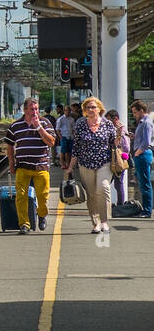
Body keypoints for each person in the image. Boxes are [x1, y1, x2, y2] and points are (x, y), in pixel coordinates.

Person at [4, 97, 55, 233]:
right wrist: (11, 164)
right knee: (21, 196)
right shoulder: (16, 125)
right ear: (25, 110)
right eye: (32, 109)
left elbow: (51, 142)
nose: (35, 112)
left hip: (41, 166)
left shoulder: (45, 123)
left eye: (37, 109)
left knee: (43, 196)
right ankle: (24, 224)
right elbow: (10, 145)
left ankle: (42, 214)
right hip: (22, 166)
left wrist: (39, 127)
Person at [67, 96, 117, 234]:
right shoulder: (81, 125)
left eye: (93, 107)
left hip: (104, 163)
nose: (91, 109)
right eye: (88, 107)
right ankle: (96, 223)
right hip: (85, 164)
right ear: (84, 110)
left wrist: (120, 137)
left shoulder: (108, 124)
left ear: (99, 108)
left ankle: (105, 222)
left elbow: (114, 144)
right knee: (92, 194)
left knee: (103, 188)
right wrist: (70, 166)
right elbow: (76, 148)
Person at [130, 100, 153, 218]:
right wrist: (134, 137)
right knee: (143, 183)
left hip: (143, 154)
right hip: (142, 154)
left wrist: (137, 153)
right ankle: (146, 209)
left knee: (145, 184)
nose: (134, 115)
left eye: (135, 112)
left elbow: (146, 142)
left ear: (141, 110)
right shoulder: (142, 123)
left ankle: (147, 211)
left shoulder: (146, 123)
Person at [107, 109, 130, 205]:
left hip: (118, 160)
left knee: (117, 183)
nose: (107, 122)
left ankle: (120, 205)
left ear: (115, 119)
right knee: (110, 183)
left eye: (109, 120)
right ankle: (116, 204)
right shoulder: (114, 128)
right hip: (113, 159)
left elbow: (126, 147)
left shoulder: (121, 129)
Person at [55, 103, 75, 170]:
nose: (68, 112)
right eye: (66, 110)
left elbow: (73, 129)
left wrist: (73, 136)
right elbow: (57, 129)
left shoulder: (72, 119)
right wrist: (60, 137)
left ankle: (67, 163)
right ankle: (62, 164)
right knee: (63, 151)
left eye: (69, 110)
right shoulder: (60, 119)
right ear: (64, 111)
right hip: (63, 136)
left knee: (68, 151)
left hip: (70, 136)